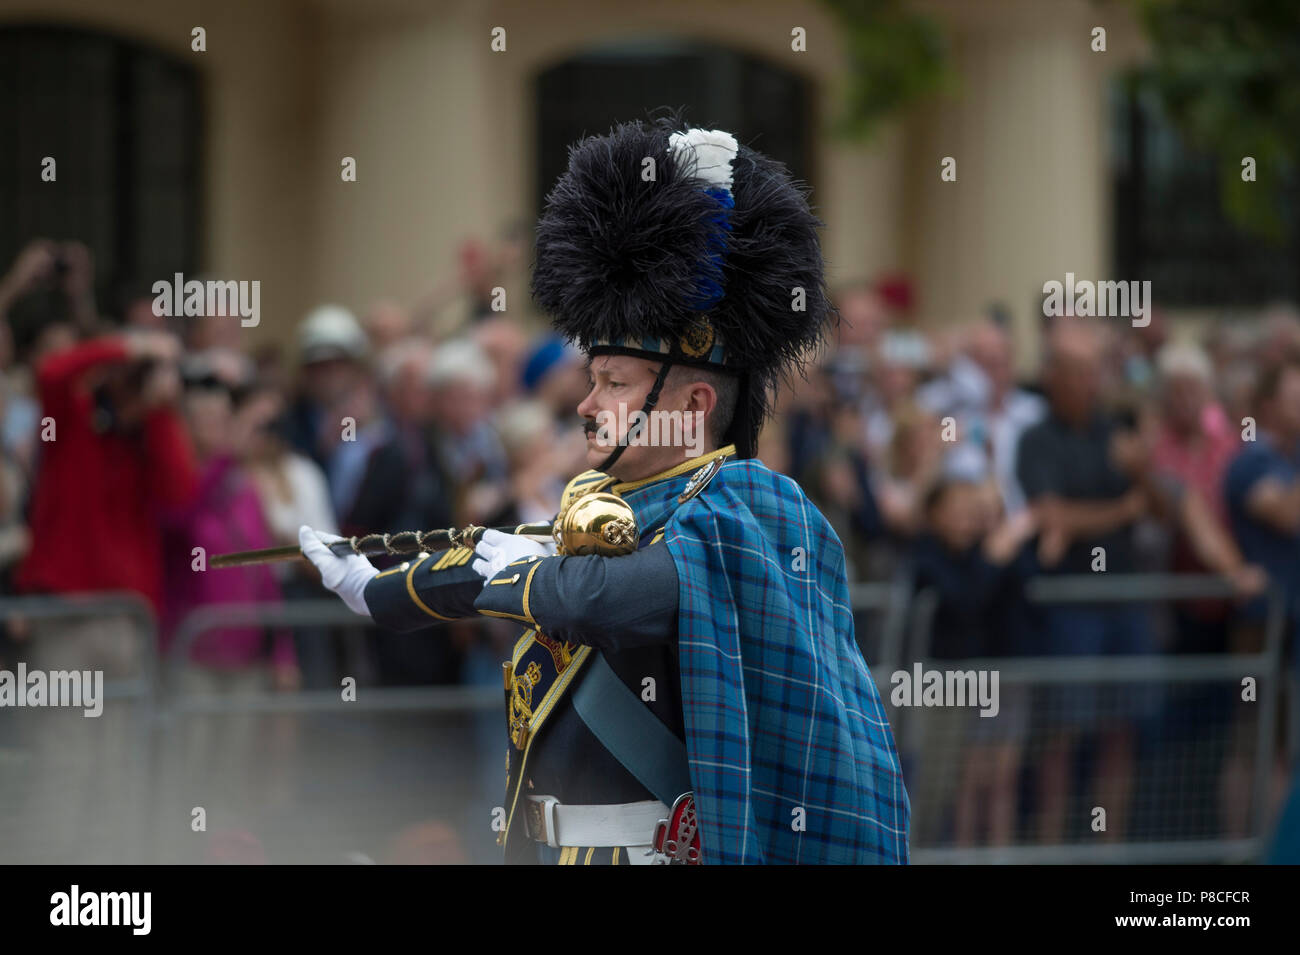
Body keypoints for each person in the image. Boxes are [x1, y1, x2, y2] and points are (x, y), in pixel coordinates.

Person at [298, 115, 910, 865]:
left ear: (693, 408)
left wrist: (504, 569)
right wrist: (375, 589)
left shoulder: (751, 505)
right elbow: (517, 573)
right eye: (591, 380)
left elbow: (607, 597)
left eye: (614, 383)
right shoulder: (602, 516)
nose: (587, 405)